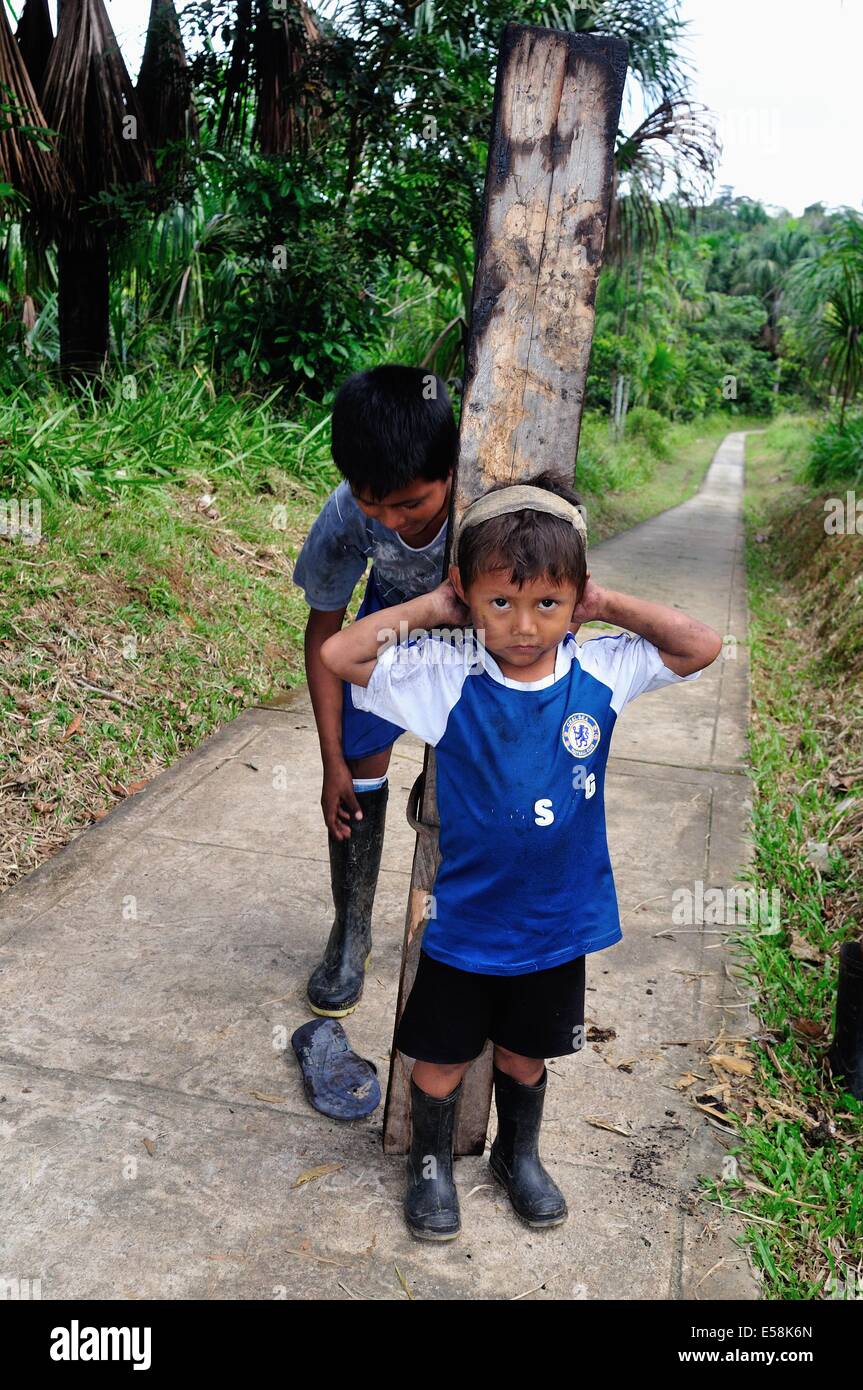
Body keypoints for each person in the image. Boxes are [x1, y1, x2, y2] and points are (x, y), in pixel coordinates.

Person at [319, 469, 723, 1240]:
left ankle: (518, 1156)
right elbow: (342, 655)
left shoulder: (601, 669)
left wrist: (604, 605)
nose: (524, 625)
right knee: (437, 1062)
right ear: (469, 598)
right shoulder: (446, 676)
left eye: (548, 603)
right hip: (465, 925)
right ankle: (431, 1165)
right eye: (498, 602)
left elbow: (698, 645)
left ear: (576, 602)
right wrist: (434, 607)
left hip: (554, 923)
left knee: (525, 1058)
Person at [292, 364, 458, 1017]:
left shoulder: (485, 495)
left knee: (485, 771)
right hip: (392, 618)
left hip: (486, 623)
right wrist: (331, 758)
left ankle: (460, 933)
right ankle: (350, 932)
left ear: (449, 472)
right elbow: (324, 631)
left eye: (410, 504)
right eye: (372, 504)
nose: (388, 519)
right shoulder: (345, 515)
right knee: (359, 760)